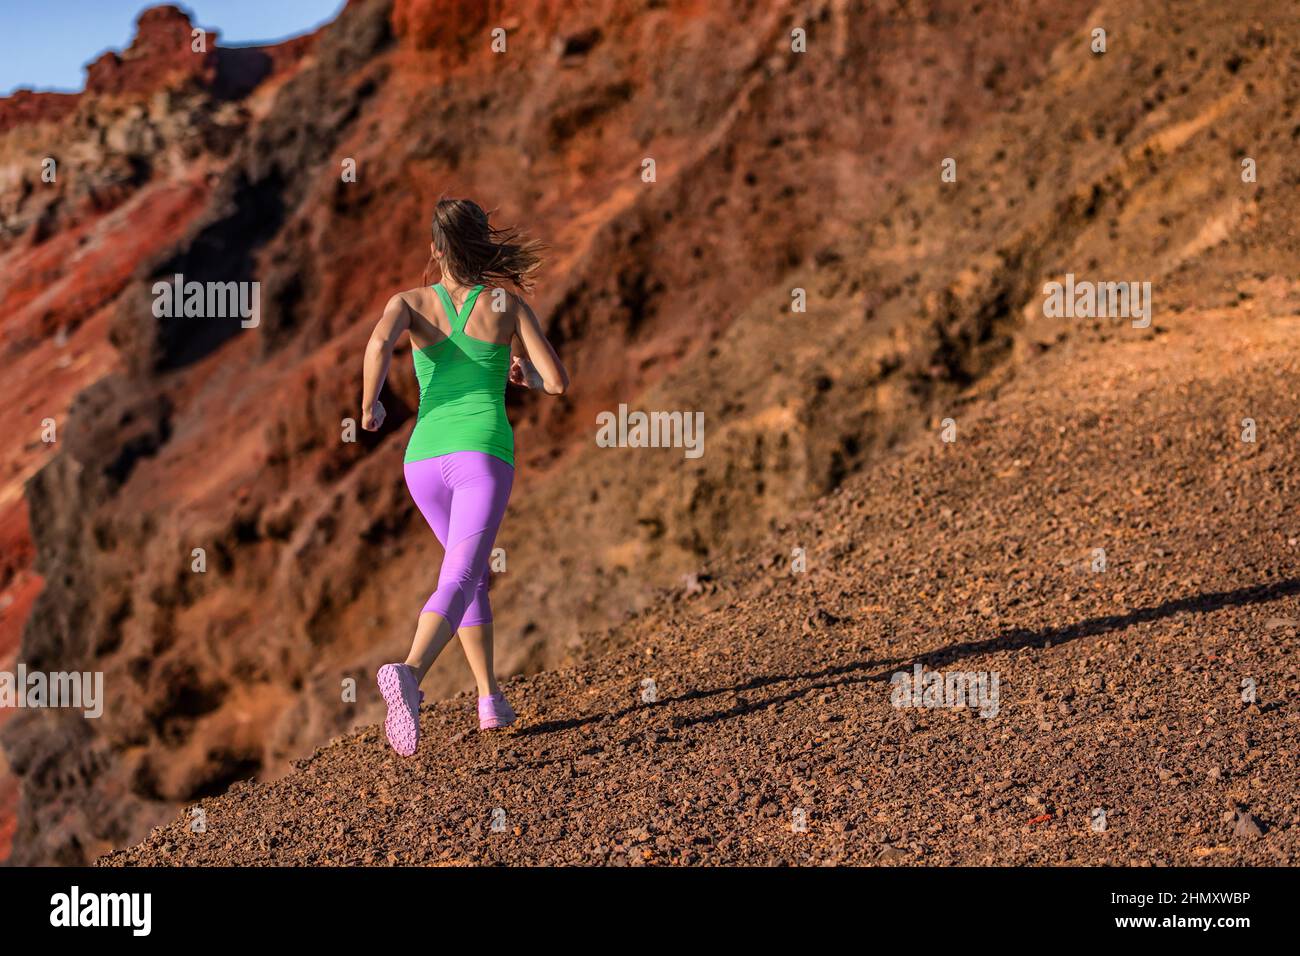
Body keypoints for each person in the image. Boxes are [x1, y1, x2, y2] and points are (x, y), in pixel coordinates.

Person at [360, 198, 568, 756]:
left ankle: (489, 699)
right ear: (480, 245)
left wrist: (370, 405)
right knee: (459, 575)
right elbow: (557, 382)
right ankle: (408, 672)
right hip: (481, 455)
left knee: (470, 574)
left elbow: (379, 343)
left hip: (421, 460)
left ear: (435, 250)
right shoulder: (507, 304)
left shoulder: (408, 301)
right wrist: (523, 376)